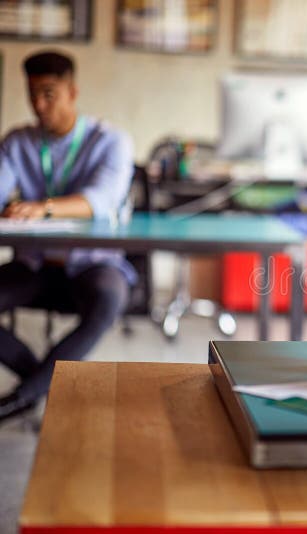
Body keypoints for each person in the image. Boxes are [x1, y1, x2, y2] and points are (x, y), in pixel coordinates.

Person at [0, 51, 135, 421]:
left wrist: (42, 207)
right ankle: (38, 382)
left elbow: (102, 199)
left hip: (92, 262)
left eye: (49, 94)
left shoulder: (111, 141)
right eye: (32, 95)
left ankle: (19, 399)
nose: (39, 106)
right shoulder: (18, 142)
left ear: (72, 92)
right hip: (36, 263)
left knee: (108, 301)